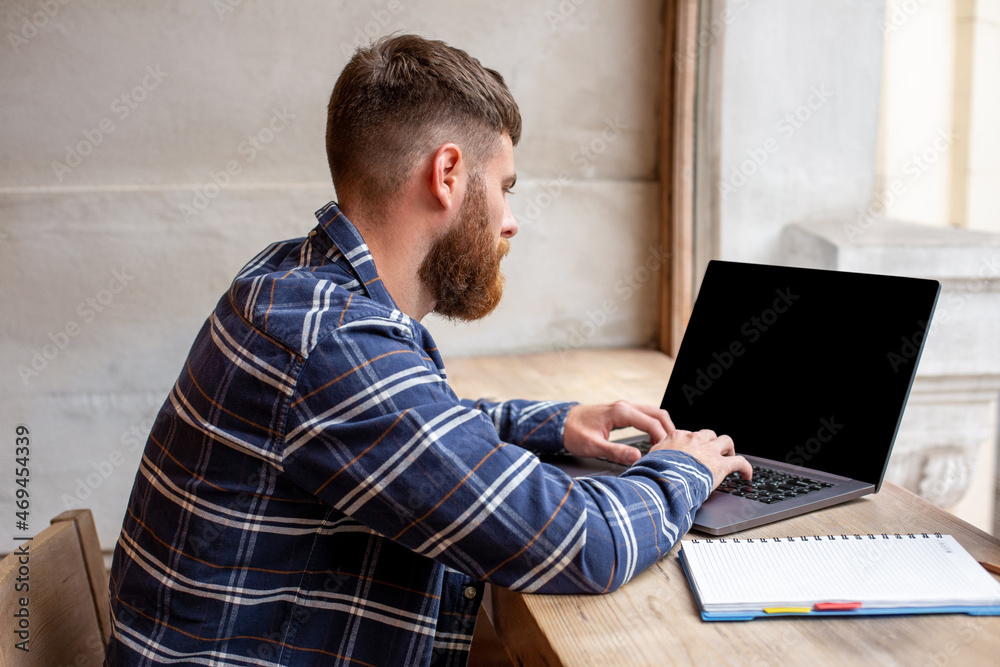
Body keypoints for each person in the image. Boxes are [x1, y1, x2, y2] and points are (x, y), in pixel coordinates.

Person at [104, 34, 750, 667]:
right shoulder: (330, 344)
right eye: (505, 187)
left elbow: (415, 425)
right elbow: (583, 544)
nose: (510, 221)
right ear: (446, 175)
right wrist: (683, 467)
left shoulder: (295, 282)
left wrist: (554, 424)